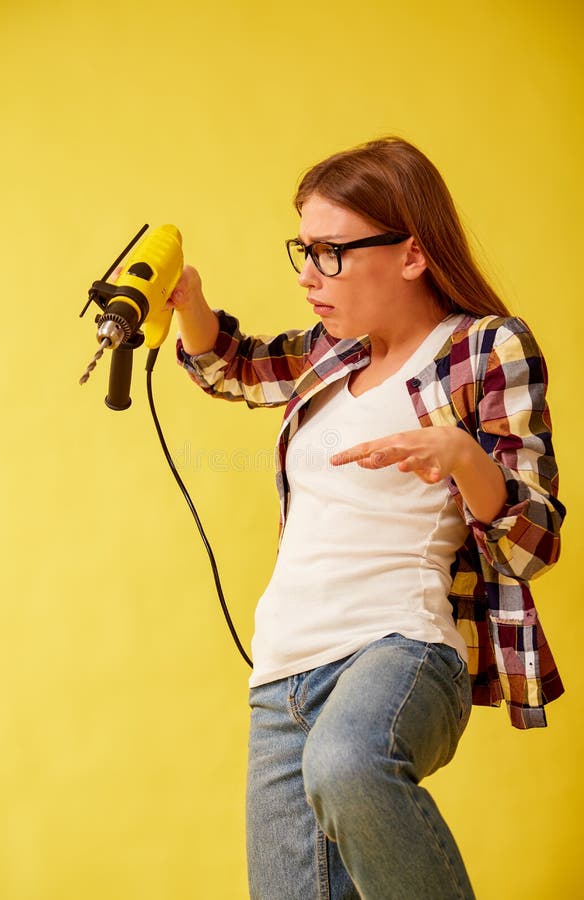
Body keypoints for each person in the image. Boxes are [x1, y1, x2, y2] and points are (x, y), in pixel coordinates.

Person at [167, 137, 565, 900]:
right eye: (303, 248)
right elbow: (235, 366)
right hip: (282, 669)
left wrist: (461, 455)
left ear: (411, 254)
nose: (307, 273)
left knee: (348, 763)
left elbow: (535, 542)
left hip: (397, 646)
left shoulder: (482, 347)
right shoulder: (332, 353)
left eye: (329, 251)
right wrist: (189, 304)